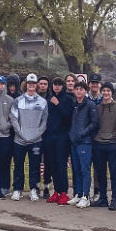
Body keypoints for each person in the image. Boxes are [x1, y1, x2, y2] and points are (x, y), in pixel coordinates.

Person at [9, 74, 48, 201]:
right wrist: (21, 133)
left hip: (36, 140)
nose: (31, 85)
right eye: (29, 83)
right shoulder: (17, 101)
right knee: (18, 166)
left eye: (33, 83)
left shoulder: (43, 102)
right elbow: (13, 119)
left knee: (34, 167)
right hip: (19, 140)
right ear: (26, 84)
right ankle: (17, 189)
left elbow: (44, 122)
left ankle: (33, 190)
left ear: (36, 85)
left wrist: (36, 134)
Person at [67, 80, 99, 208]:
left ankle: (86, 196)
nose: (79, 91)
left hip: (85, 142)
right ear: (74, 91)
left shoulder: (90, 105)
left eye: (81, 89)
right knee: (76, 169)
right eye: (77, 89)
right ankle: (78, 194)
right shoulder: (73, 104)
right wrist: (71, 134)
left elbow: (94, 123)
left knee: (85, 170)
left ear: (86, 91)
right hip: (74, 142)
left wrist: (83, 133)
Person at [42, 77, 73, 205]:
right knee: (52, 165)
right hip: (49, 136)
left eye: (59, 84)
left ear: (63, 86)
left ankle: (64, 192)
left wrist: (58, 104)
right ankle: (56, 191)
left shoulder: (68, 99)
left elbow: (68, 118)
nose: (57, 86)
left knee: (61, 165)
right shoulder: (48, 99)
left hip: (62, 136)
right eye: (55, 84)